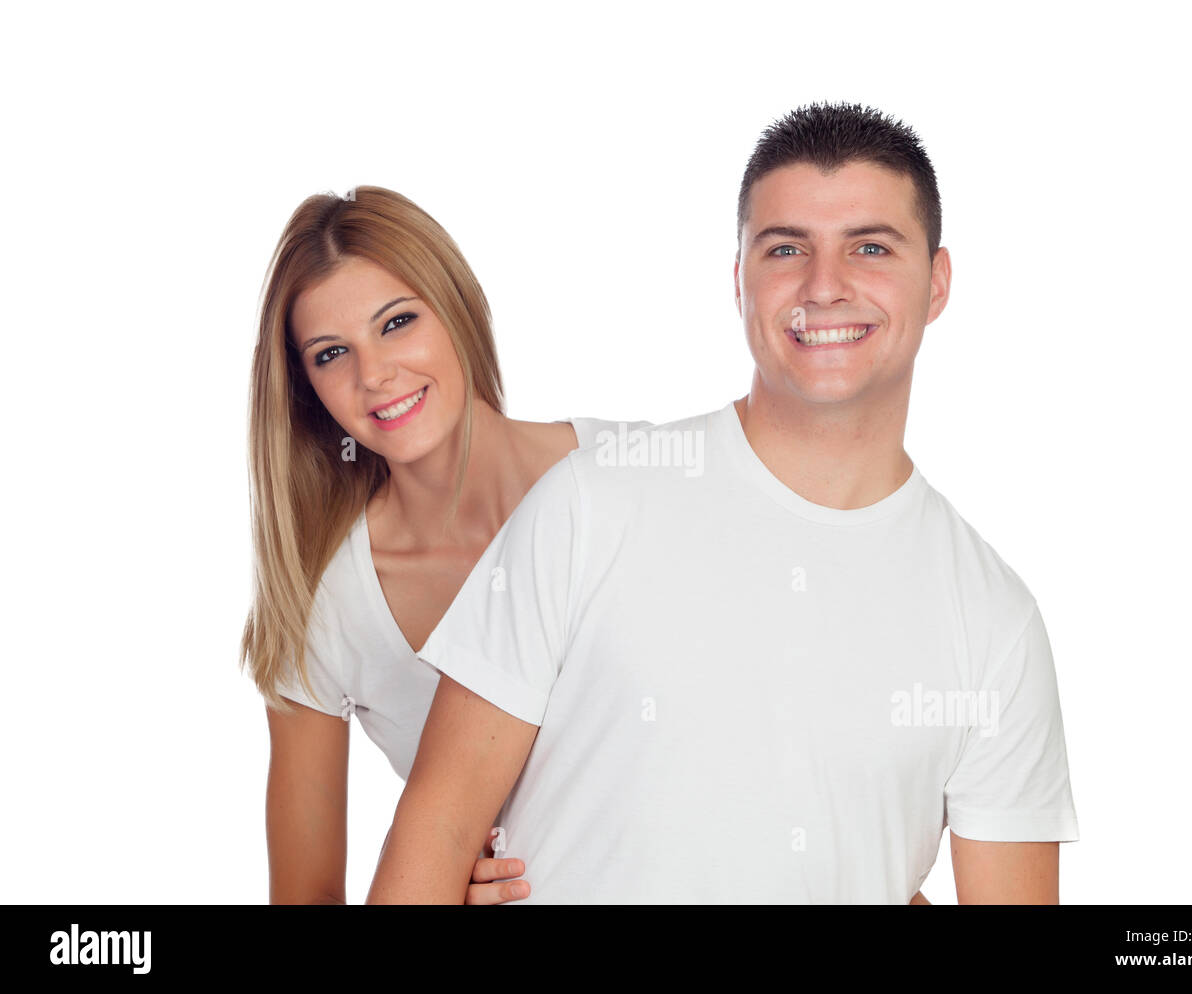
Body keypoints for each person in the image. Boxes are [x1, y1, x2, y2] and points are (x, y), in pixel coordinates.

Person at [367, 102, 1072, 904]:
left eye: (871, 247)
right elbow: (433, 835)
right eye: (786, 249)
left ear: (937, 282)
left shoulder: (995, 625)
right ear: (740, 280)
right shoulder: (588, 507)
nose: (824, 286)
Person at [239, 185, 645, 903]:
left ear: (457, 306)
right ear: (307, 391)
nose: (374, 375)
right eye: (332, 354)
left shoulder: (638, 477)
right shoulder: (326, 605)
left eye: (397, 322)